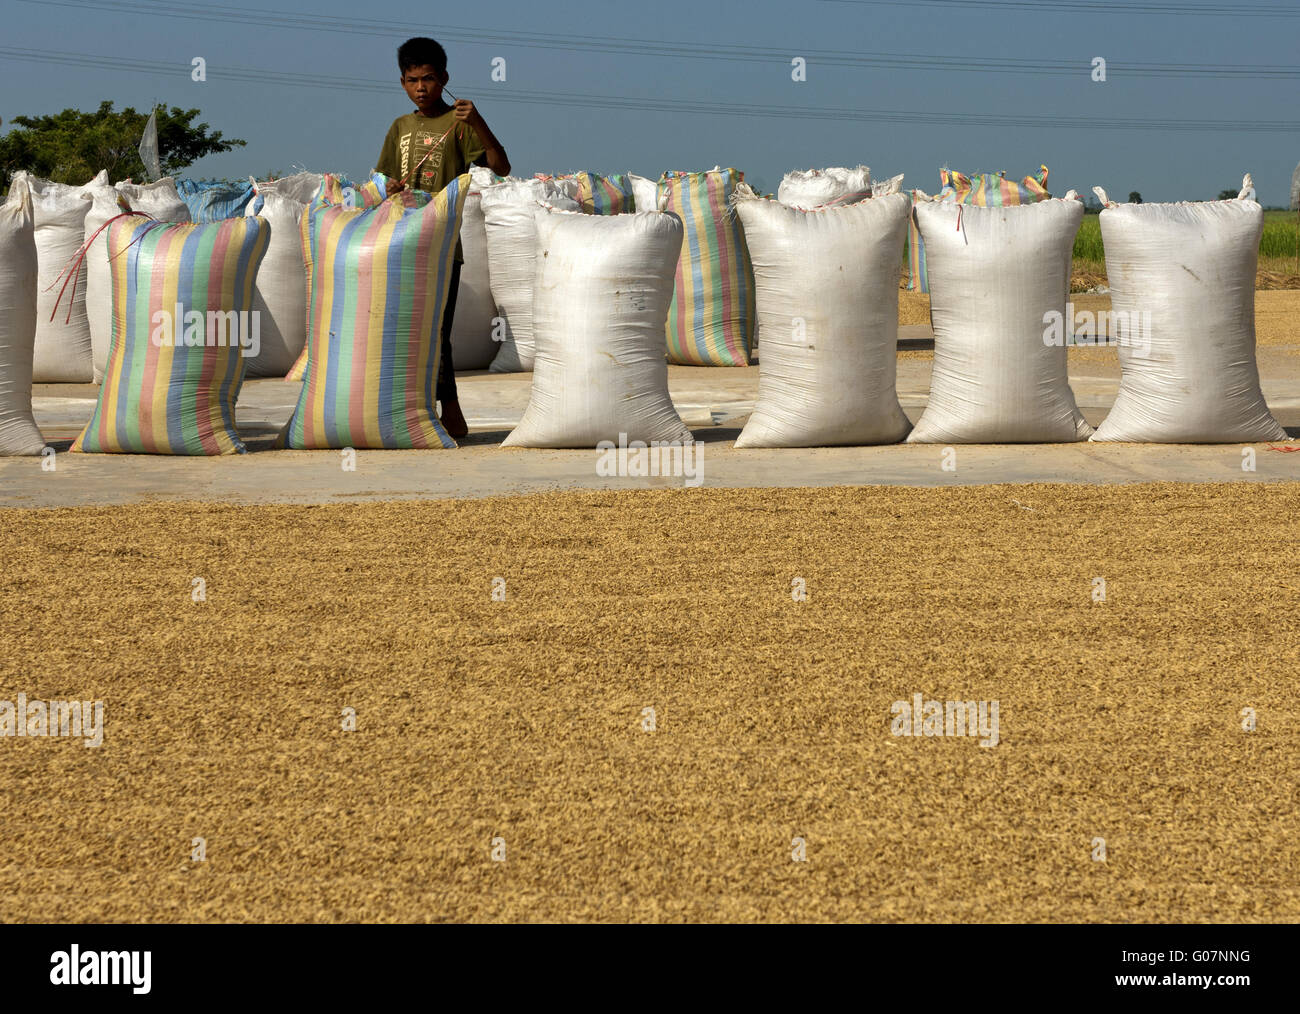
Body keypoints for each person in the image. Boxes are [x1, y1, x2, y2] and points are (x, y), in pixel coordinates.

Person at [375, 37, 511, 439]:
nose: (421, 88)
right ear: (402, 82)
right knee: (404, 330)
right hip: (401, 245)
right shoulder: (399, 127)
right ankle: (411, 414)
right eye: (413, 80)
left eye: (429, 79)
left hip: (443, 248)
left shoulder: (460, 123)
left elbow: (501, 167)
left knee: (437, 331)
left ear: (444, 79)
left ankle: (448, 411)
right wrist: (391, 188)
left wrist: (479, 122)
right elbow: (383, 183)